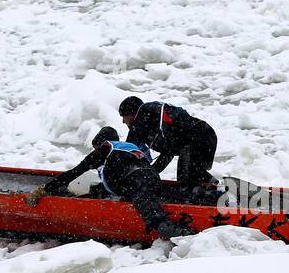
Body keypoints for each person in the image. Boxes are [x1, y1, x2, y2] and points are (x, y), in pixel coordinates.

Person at [25, 127, 194, 240]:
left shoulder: (105, 149)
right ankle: (205, 198)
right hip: (152, 178)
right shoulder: (131, 147)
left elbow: (73, 173)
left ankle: (184, 235)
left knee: (153, 217)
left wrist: (45, 189)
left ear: (100, 142)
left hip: (136, 181)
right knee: (169, 196)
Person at [119, 97, 218, 196]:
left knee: (186, 183)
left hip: (200, 138)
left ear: (132, 113)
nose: (123, 121)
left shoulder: (143, 114)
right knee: (191, 174)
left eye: (123, 116)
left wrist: (121, 177)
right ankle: (211, 185)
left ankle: (202, 196)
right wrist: (152, 172)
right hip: (208, 135)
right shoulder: (152, 120)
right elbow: (168, 153)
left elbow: (129, 148)